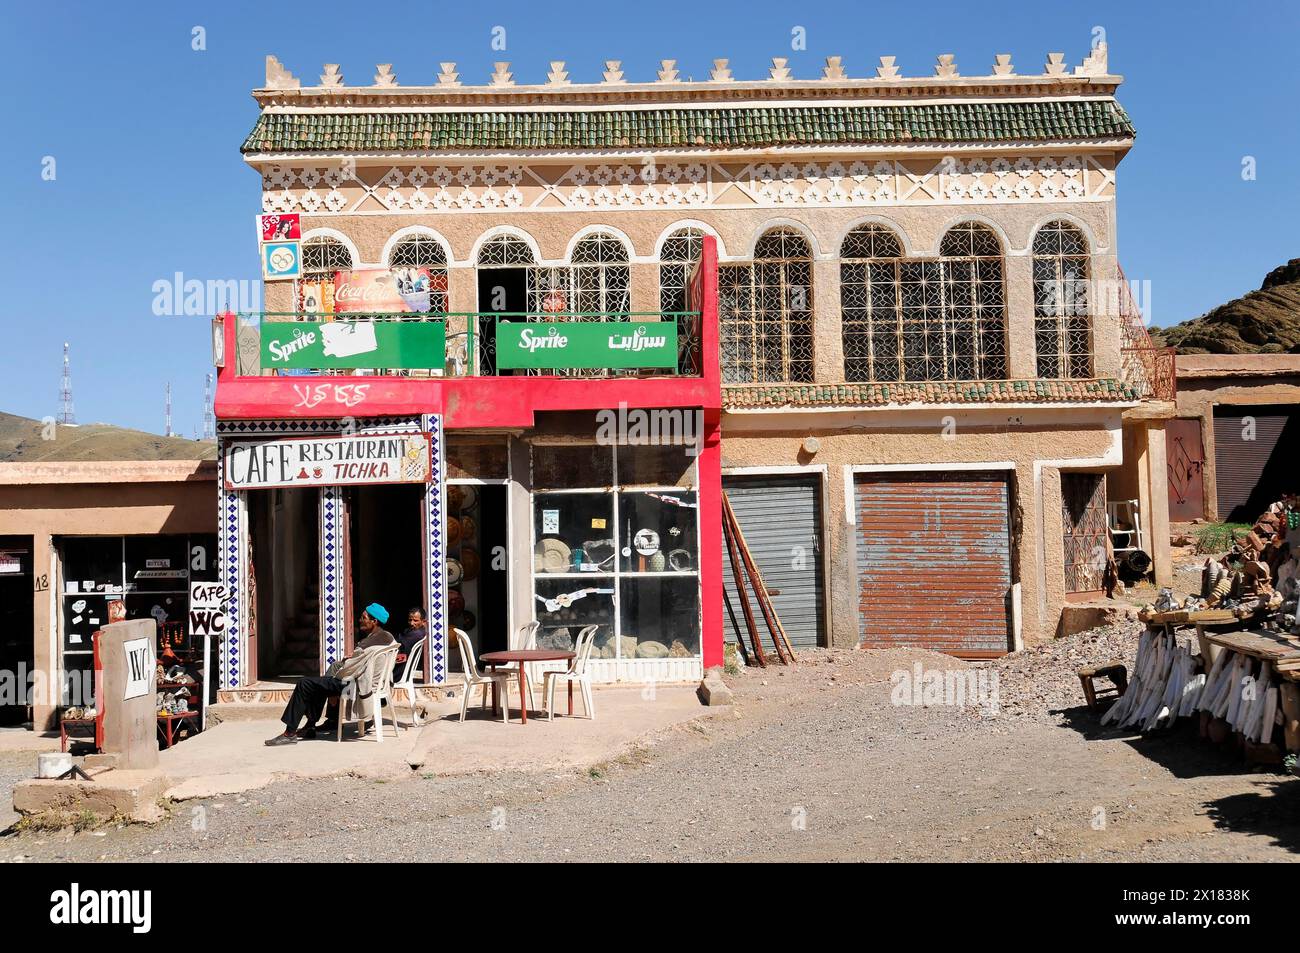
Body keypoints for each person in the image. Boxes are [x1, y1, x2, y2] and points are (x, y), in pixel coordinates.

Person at [264, 603, 395, 746]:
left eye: (364, 618)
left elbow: (349, 670)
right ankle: (311, 726)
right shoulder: (388, 638)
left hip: (356, 685)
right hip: (372, 684)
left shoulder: (367, 644)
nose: (360, 620)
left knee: (304, 683)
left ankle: (289, 733)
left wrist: (335, 681)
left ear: (374, 621)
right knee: (319, 683)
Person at [394, 607, 427, 679]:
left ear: (423, 622)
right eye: (410, 620)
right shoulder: (411, 632)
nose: (412, 623)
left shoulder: (416, 635)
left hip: (399, 672)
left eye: (415, 620)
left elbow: (402, 655)